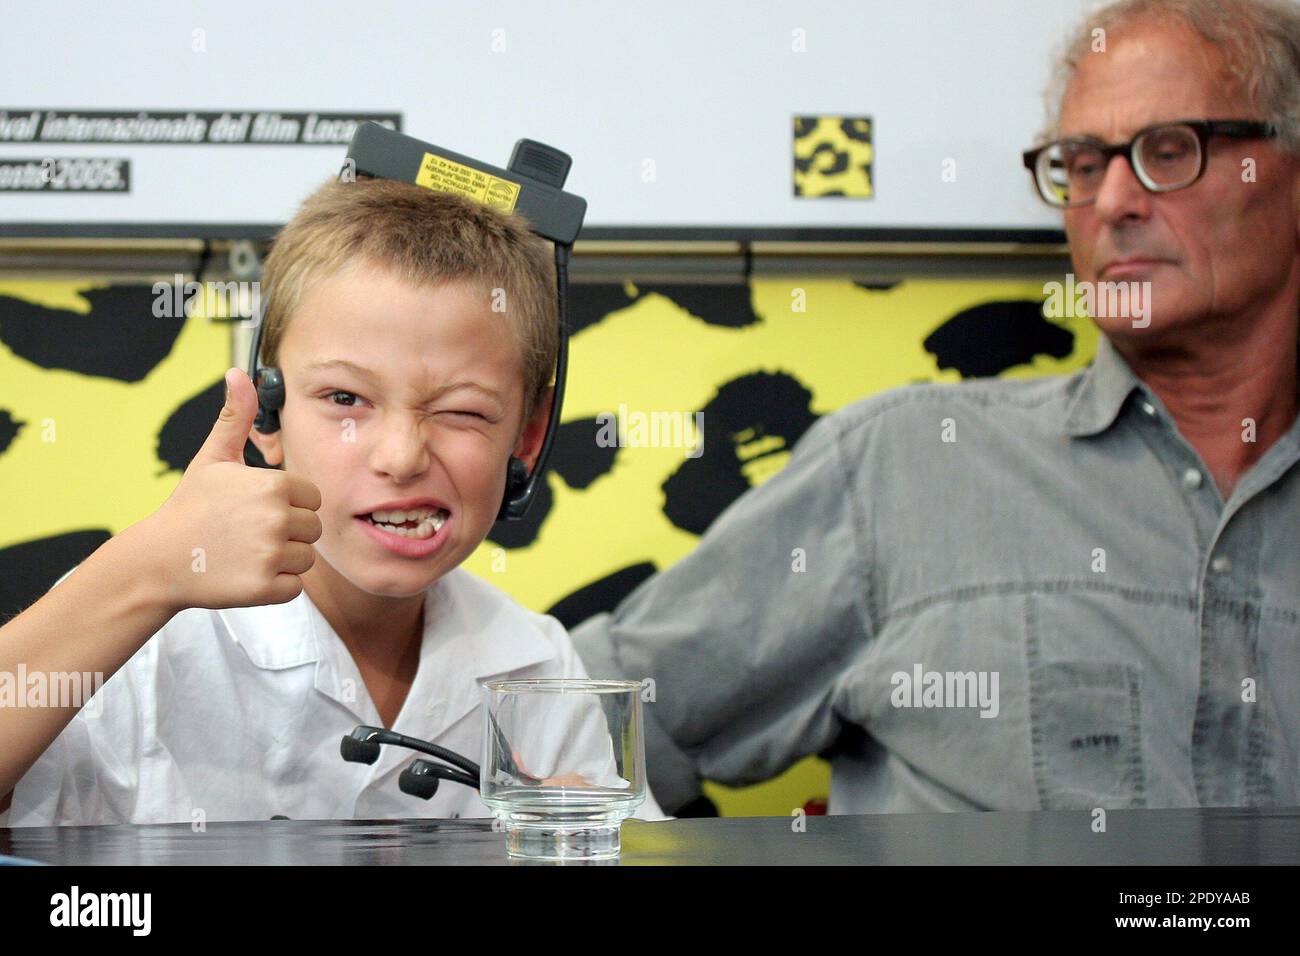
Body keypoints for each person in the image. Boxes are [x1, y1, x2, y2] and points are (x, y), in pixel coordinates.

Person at [573, 0, 1300, 815]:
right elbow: (574, 723)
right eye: (1084, 164)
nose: (1112, 203)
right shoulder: (910, 466)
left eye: (1171, 152)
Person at [0, 175, 665, 825]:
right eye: (345, 399)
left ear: (527, 436)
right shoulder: (138, 640)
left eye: (462, 411)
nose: (402, 457)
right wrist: (147, 570)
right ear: (267, 407)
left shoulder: (535, 662)